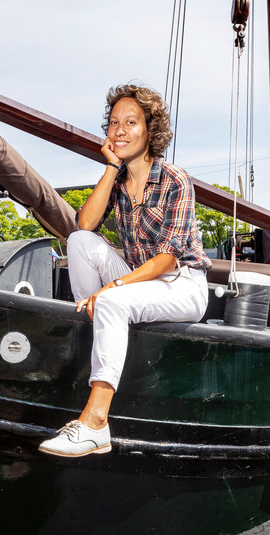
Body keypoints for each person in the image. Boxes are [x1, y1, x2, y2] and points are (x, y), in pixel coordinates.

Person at [39, 84, 211, 458]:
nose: (118, 130)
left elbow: (167, 260)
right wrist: (111, 167)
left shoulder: (174, 179)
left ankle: (96, 423)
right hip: (139, 277)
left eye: (130, 122)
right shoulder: (116, 182)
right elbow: (84, 224)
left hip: (182, 283)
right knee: (80, 243)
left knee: (114, 302)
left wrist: (112, 289)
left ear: (151, 131)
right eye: (114, 123)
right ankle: (92, 346)